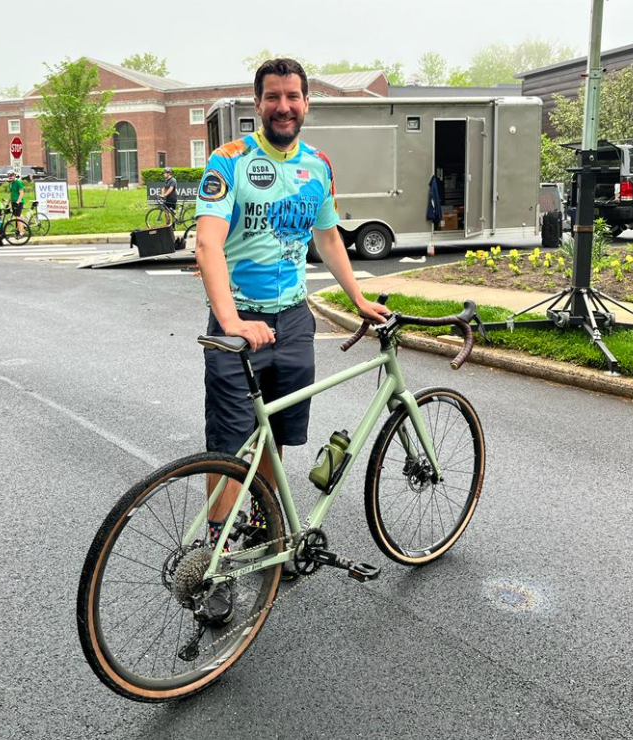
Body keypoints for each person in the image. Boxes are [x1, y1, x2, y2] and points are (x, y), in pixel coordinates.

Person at [194, 58, 389, 614]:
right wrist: (230, 321)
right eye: (273, 97)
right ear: (257, 104)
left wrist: (355, 297)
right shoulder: (229, 161)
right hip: (241, 321)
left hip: (295, 320)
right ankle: (216, 560)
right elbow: (208, 244)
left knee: (276, 436)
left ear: (307, 103)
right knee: (230, 447)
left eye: (293, 96)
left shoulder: (317, 166)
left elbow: (327, 236)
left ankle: (264, 529)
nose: (284, 106)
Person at [7, 171, 25, 235]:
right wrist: (8, 203)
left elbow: (21, 193)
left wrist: (18, 202)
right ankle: (23, 227)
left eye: (11, 175)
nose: (10, 177)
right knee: (18, 216)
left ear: (14, 176)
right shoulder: (10, 184)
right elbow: (11, 195)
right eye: (9, 175)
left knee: (17, 217)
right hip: (13, 202)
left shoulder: (18, 182)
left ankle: (21, 232)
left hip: (19, 202)